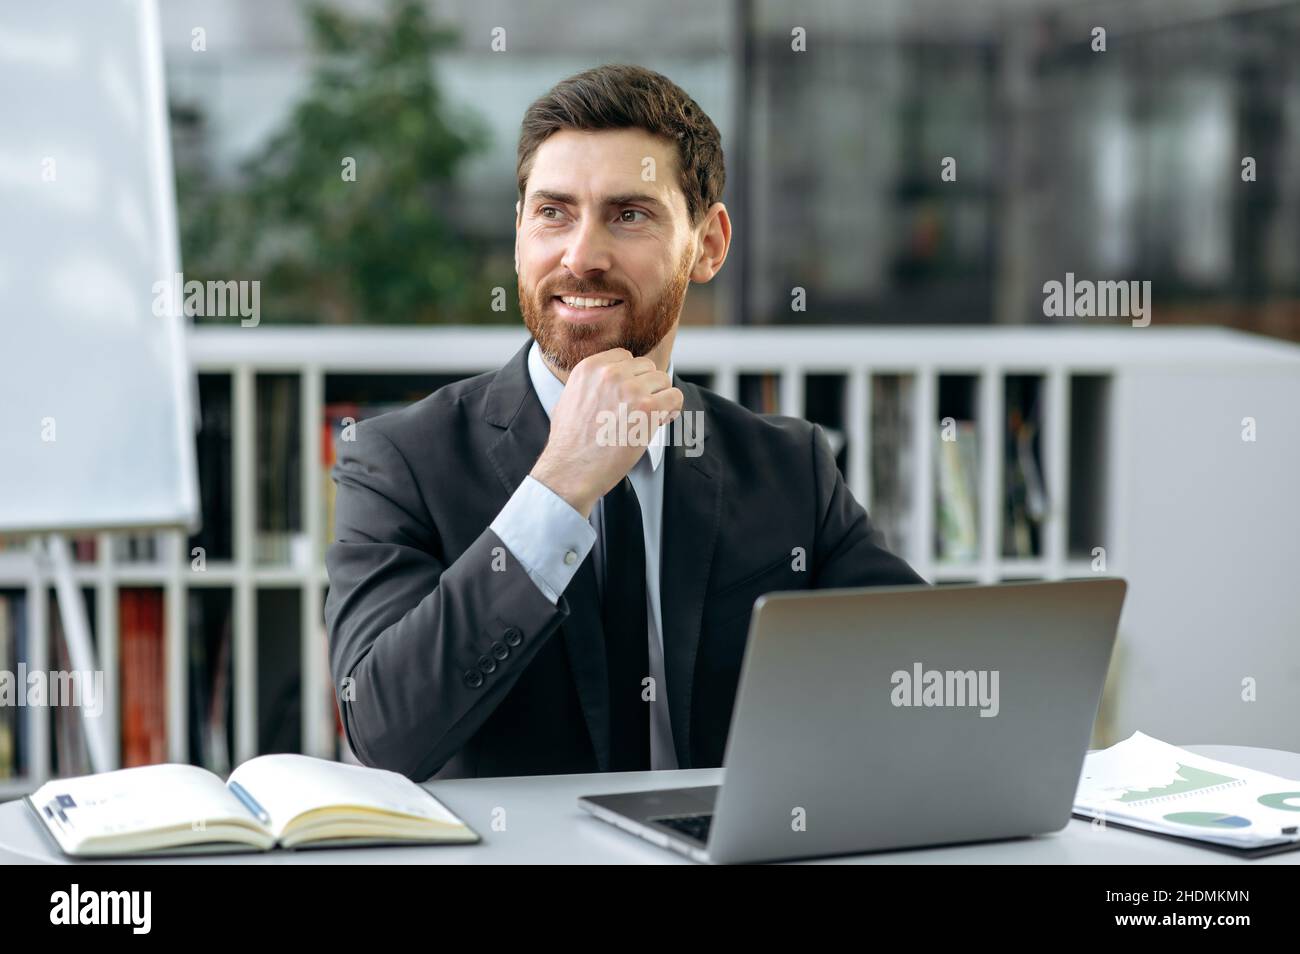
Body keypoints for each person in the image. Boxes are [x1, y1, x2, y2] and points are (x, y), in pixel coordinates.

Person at [324, 64, 925, 782]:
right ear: (518, 234)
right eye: (553, 213)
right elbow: (384, 734)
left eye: (629, 214)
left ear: (708, 244)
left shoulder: (789, 466)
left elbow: (923, 680)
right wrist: (558, 488)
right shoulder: (401, 462)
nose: (582, 256)